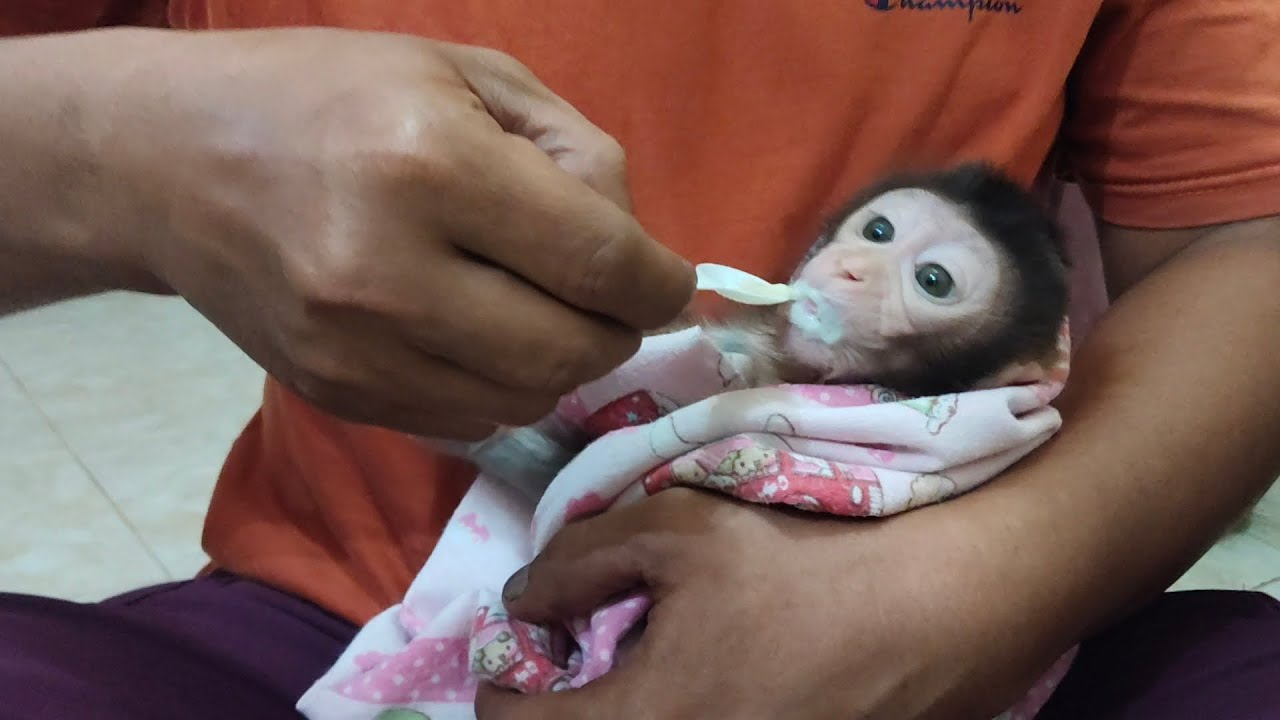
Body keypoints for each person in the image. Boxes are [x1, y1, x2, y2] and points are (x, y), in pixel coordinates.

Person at [0, 2, 1277, 719]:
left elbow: (1241, 237)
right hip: (339, 613)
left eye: (927, 277)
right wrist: (103, 152)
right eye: (874, 237)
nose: (852, 272)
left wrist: (985, 584)